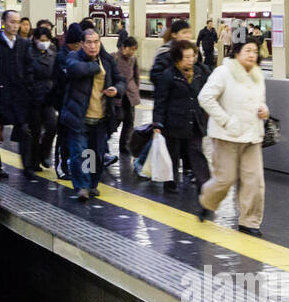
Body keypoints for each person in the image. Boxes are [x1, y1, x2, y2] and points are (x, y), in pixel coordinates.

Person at [196, 40, 269, 235]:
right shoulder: (223, 72)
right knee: (225, 180)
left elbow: (260, 101)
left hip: (252, 136)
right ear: (237, 52)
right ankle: (207, 201)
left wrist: (264, 110)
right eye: (247, 50)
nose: (252, 55)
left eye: (255, 51)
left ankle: (250, 222)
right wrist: (226, 121)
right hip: (226, 136)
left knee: (254, 182)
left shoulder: (257, 75)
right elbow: (205, 98)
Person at [59, 28, 125, 201]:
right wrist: (95, 67)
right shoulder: (74, 57)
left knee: (96, 154)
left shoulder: (108, 61)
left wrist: (116, 89)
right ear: (82, 44)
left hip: (101, 117)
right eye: (89, 42)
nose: (93, 46)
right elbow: (74, 69)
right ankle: (82, 187)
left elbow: (121, 80)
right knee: (79, 153)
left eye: (96, 41)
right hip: (78, 116)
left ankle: (92, 185)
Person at [150, 40, 211, 195]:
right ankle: (170, 184)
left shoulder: (199, 72)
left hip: (194, 121)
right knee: (173, 155)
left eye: (192, 56)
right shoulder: (169, 75)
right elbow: (160, 101)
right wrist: (157, 123)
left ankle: (204, 185)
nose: (191, 60)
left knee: (196, 153)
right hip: (174, 123)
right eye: (186, 57)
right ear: (177, 58)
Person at [0, 10, 33, 178]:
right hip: (0, 95)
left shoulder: (24, 44)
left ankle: (27, 167)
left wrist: (28, 87)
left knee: (25, 130)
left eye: (18, 22)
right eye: (12, 22)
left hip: (19, 96)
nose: (15, 26)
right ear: (3, 22)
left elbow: (29, 67)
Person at [51, 24, 85, 178]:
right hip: (64, 103)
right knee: (63, 137)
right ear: (74, 42)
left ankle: (77, 167)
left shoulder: (78, 55)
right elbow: (66, 79)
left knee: (76, 138)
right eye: (79, 42)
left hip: (77, 103)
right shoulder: (62, 57)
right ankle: (61, 166)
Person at [24, 26, 59, 173]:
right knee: (35, 131)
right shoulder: (29, 54)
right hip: (35, 97)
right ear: (35, 40)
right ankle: (34, 161)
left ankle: (44, 155)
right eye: (41, 40)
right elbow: (27, 75)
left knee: (52, 126)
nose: (44, 43)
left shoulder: (52, 53)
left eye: (46, 40)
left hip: (49, 96)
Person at [113, 35, 141, 154]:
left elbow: (136, 76)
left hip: (130, 95)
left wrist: (135, 89)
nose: (132, 52)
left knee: (129, 121)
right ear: (124, 47)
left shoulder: (133, 59)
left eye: (134, 49)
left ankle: (124, 147)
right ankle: (103, 144)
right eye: (131, 49)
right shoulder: (114, 58)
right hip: (118, 94)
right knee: (116, 120)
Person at [149, 18, 194, 90]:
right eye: (184, 33)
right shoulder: (165, 53)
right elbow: (156, 76)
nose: (188, 36)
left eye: (189, 33)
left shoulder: (194, 52)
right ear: (174, 35)